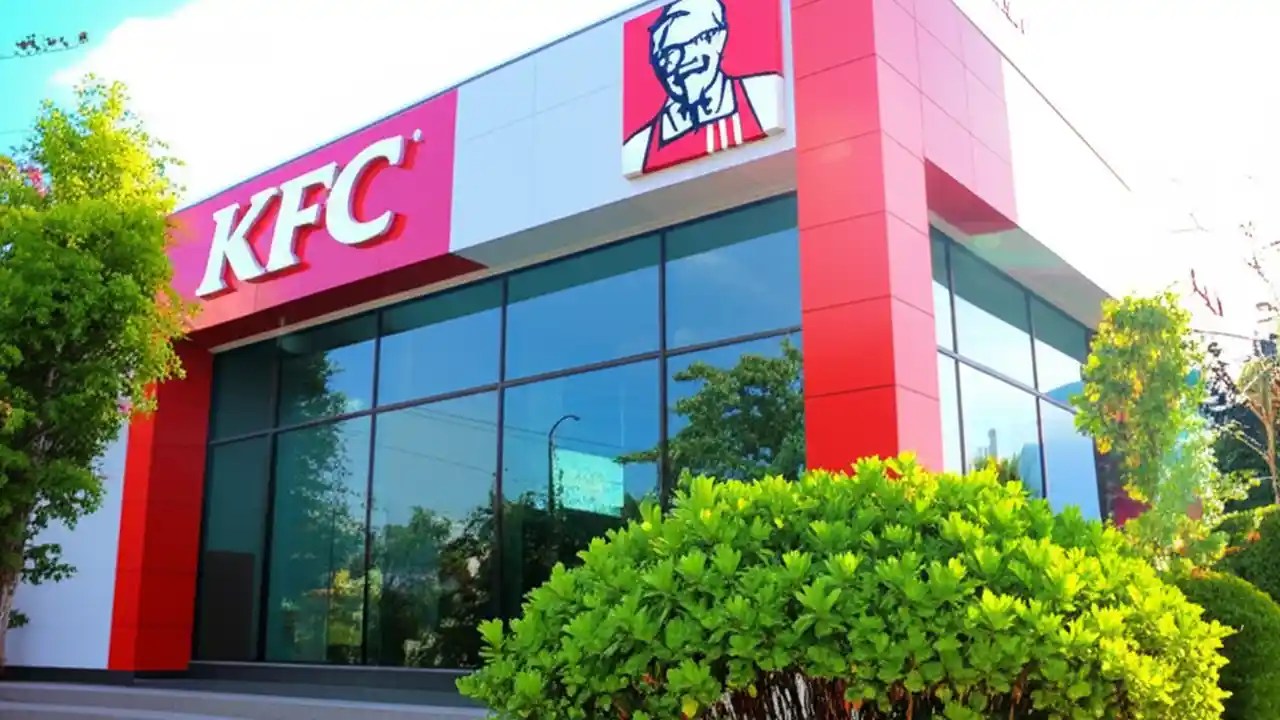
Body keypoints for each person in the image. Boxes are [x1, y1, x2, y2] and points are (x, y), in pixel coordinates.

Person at [622, 0, 783, 177]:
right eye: (667, 55)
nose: (681, 63)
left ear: (718, 39)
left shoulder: (763, 99)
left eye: (693, 43)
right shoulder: (638, 149)